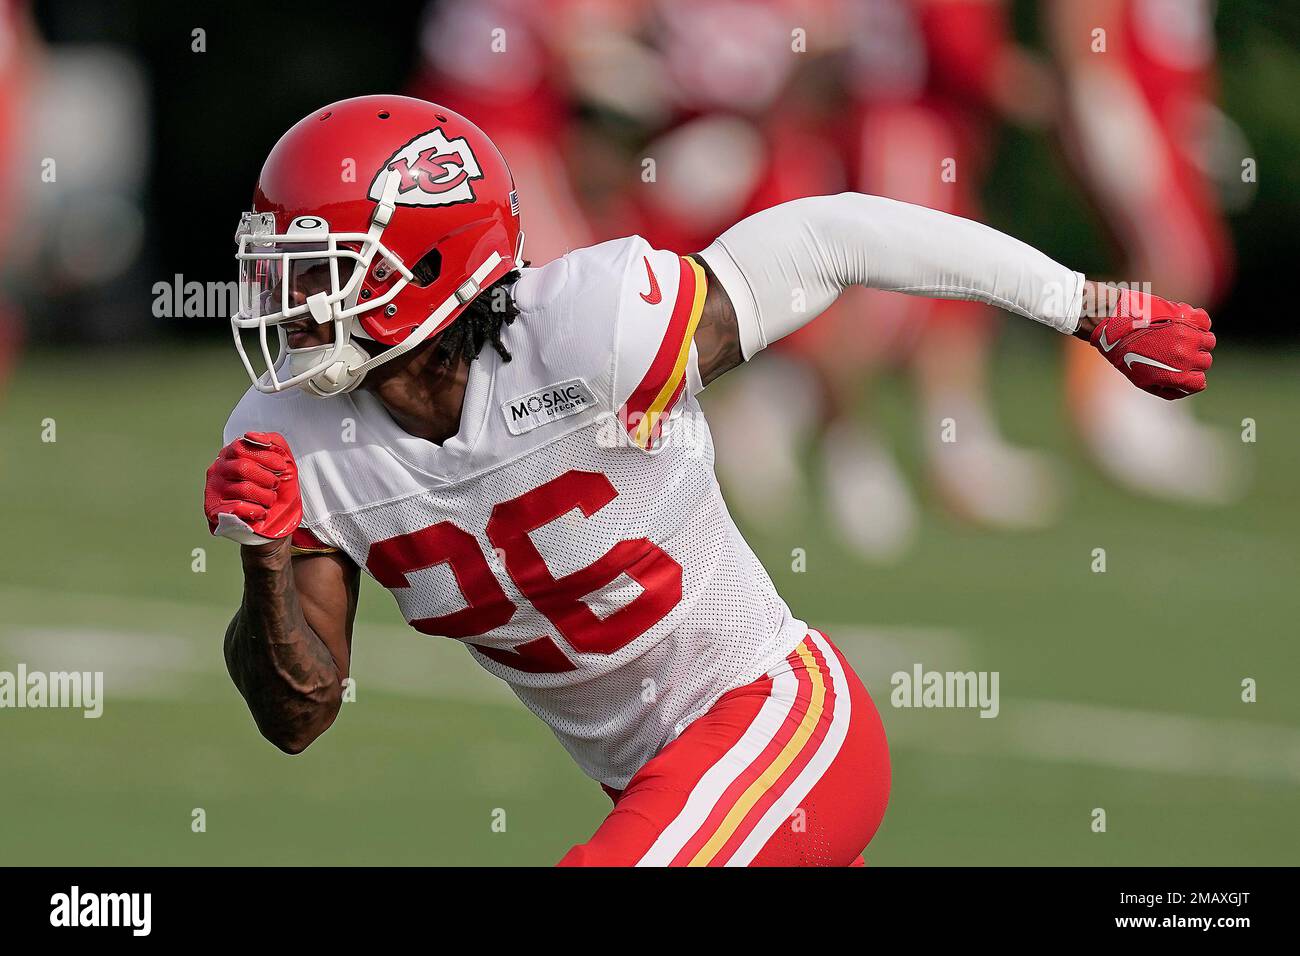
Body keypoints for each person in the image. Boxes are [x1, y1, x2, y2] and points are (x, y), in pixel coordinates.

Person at [203, 96, 1215, 866]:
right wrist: (264, 555)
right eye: (282, 269)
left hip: (779, 721)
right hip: (667, 796)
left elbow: (833, 234)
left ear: (429, 264)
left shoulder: (588, 328)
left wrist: (1084, 303)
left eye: (319, 267)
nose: (289, 300)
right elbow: (300, 714)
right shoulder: (292, 438)